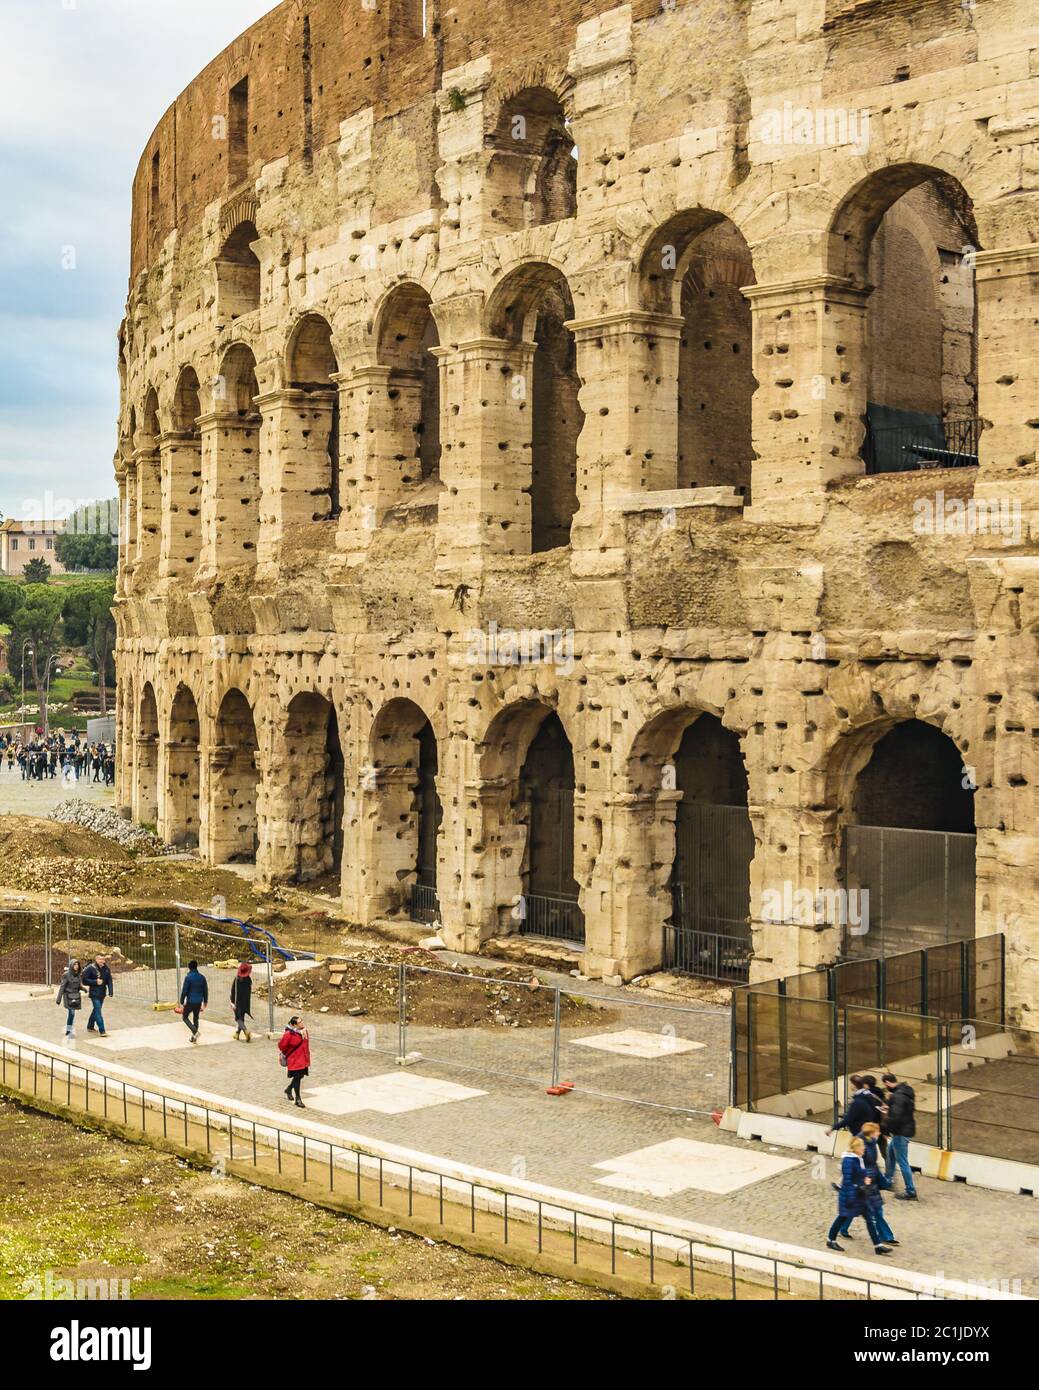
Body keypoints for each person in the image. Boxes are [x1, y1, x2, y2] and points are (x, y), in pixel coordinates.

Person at [826, 1137, 892, 1256]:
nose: (864, 1149)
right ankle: (831, 1240)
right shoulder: (849, 1161)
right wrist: (853, 1195)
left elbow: (858, 1174)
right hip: (850, 1195)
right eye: (862, 1147)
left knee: (869, 1219)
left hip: (860, 1195)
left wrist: (865, 1178)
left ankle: (878, 1246)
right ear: (856, 1148)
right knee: (842, 1217)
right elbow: (848, 1181)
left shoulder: (857, 1159)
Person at [858, 1121, 898, 1247]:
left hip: (872, 1181)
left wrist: (882, 1180)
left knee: (877, 1210)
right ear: (871, 1133)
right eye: (877, 1132)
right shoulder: (861, 1144)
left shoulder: (871, 1143)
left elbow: (873, 1164)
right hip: (866, 1182)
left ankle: (886, 1236)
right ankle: (841, 1228)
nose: (879, 1133)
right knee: (857, 1210)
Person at [881, 1072, 919, 1200]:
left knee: (902, 1161)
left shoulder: (897, 1097)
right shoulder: (906, 1091)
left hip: (900, 1132)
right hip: (906, 1129)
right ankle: (888, 1180)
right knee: (890, 1152)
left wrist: (886, 1130)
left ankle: (910, 1190)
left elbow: (895, 1117)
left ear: (887, 1082)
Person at [278, 1016, 310, 1108]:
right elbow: (281, 1046)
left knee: (299, 1077)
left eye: (302, 1021)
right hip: (294, 1060)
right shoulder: (289, 1034)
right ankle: (298, 1099)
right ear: (294, 1025)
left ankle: (288, 1089)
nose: (302, 1023)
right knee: (297, 1078)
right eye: (299, 1022)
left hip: (303, 1059)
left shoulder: (304, 1031)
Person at [81, 954, 113, 1036]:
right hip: (94, 993)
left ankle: (90, 1026)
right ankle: (102, 1030)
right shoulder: (91, 968)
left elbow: (109, 980)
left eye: (103, 959)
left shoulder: (106, 968)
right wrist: (95, 982)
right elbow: (84, 980)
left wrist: (110, 991)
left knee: (95, 1010)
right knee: (98, 1011)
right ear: (96, 959)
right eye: (100, 959)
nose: (102, 961)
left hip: (102, 993)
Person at [179, 960, 209, 1043]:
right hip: (198, 1002)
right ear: (196, 967)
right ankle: (194, 1037)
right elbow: (205, 990)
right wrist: (205, 1001)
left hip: (190, 1001)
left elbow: (184, 990)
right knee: (196, 1018)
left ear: (189, 968)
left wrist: (181, 1001)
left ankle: (195, 1032)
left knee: (185, 1017)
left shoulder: (188, 977)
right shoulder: (202, 977)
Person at [55, 959, 84, 1042]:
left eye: (77, 965)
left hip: (75, 996)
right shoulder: (66, 975)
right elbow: (62, 987)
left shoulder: (78, 974)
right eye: (74, 965)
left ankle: (69, 1030)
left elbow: (78, 985)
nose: (76, 966)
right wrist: (58, 999)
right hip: (68, 997)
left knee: (72, 1014)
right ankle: (69, 1031)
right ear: (71, 965)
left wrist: (84, 989)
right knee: (71, 1013)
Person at [230, 961, 253, 1042]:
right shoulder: (249, 980)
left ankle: (246, 1030)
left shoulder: (237, 980)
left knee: (238, 1018)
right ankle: (237, 1034)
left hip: (237, 1002)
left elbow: (233, 991)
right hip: (246, 1002)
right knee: (241, 1017)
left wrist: (232, 1002)